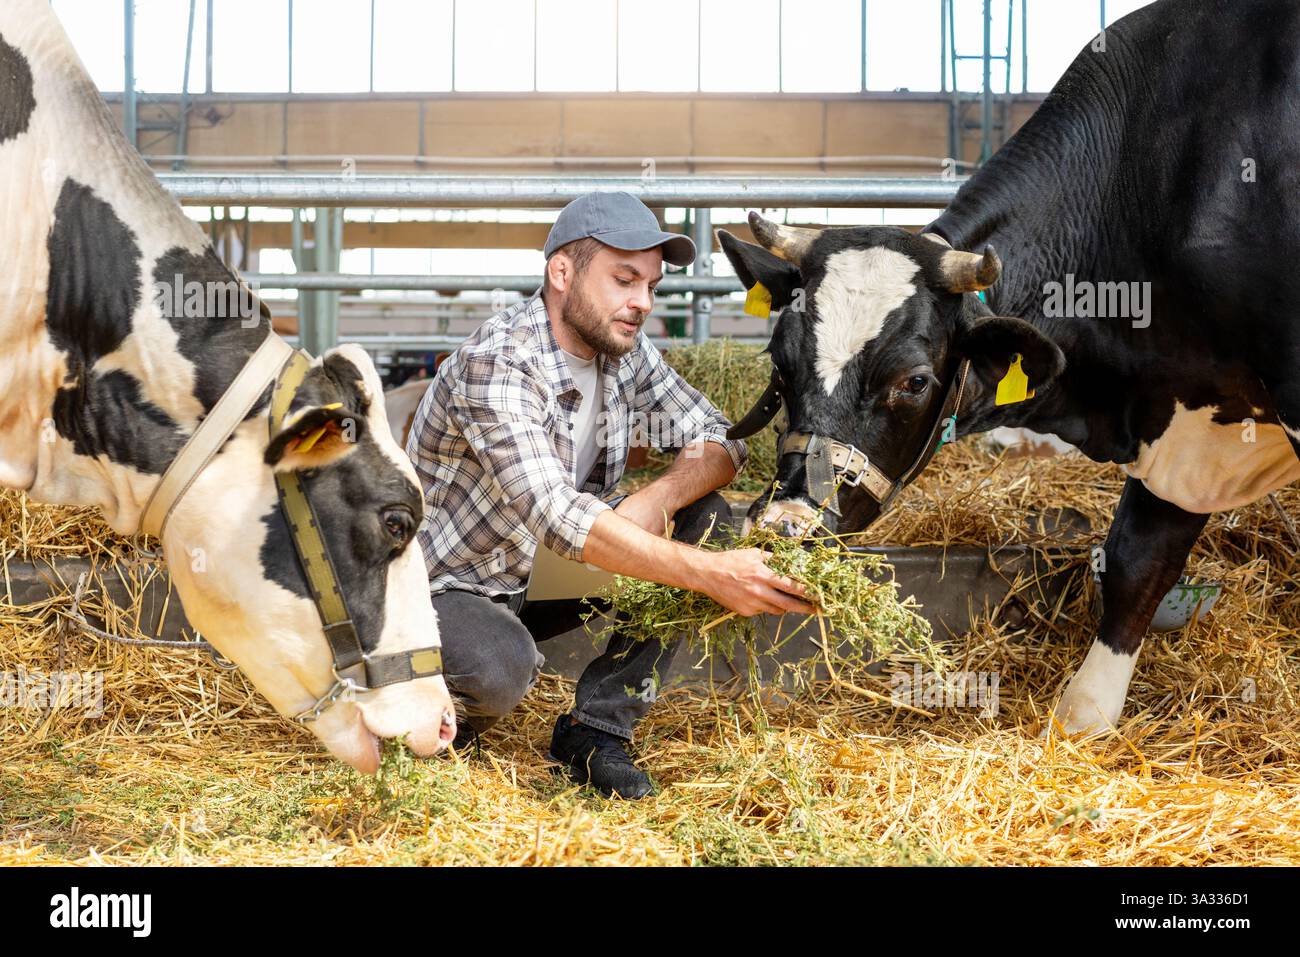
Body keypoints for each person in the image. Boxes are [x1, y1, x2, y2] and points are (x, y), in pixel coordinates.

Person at [406, 191, 813, 798]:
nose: (642, 303)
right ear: (562, 273)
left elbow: (722, 439)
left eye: (651, 285)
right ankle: (432, 713)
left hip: (539, 573)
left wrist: (661, 498)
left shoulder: (621, 349)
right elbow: (555, 515)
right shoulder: (497, 362)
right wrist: (708, 575)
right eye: (625, 280)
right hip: (448, 586)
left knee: (705, 517)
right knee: (499, 668)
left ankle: (595, 729)